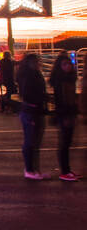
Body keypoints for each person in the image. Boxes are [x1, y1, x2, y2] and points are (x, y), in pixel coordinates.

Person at [16, 52, 48, 180]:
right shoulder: (27, 76)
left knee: (36, 142)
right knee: (30, 141)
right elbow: (27, 94)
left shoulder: (36, 74)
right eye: (36, 61)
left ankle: (35, 169)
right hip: (31, 111)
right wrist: (40, 99)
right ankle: (29, 169)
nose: (38, 63)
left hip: (36, 110)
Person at [48, 51, 79, 181]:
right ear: (59, 67)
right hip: (65, 114)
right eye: (64, 64)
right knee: (64, 143)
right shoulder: (60, 81)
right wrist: (65, 116)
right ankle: (64, 171)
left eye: (69, 64)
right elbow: (61, 101)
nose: (68, 66)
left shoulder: (70, 79)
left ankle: (67, 170)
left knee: (68, 142)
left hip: (70, 113)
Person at [0, 49, 16, 113]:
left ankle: (5, 105)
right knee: (11, 91)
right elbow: (17, 62)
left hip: (4, 79)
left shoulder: (2, 61)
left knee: (9, 92)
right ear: (9, 55)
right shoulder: (10, 62)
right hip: (9, 79)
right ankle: (6, 104)